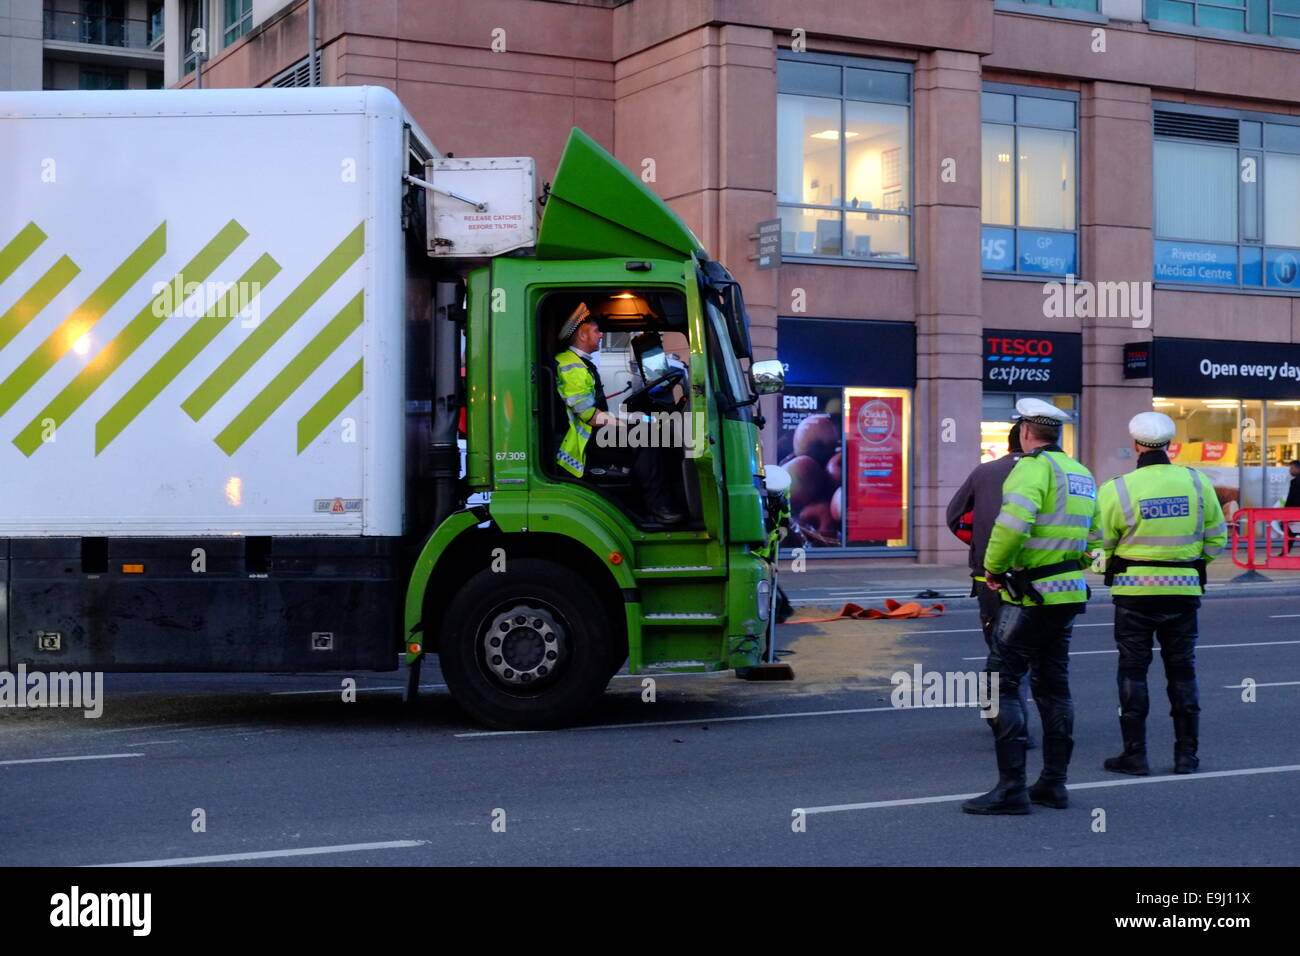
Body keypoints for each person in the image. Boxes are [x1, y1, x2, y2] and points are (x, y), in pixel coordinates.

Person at [962, 398, 1097, 815]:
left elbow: (1013, 523)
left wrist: (993, 568)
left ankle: (1011, 790)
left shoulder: (1031, 469)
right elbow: (1094, 540)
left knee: (1000, 684)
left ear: (1024, 432)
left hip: (1030, 595)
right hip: (1068, 593)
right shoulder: (1081, 473)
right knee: (1054, 686)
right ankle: (1053, 785)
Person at [1093, 412, 1226, 776]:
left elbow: (1097, 547)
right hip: (1183, 593)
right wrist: (1189, 564)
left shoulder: (1116, 488)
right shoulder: (1197, 483)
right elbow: (1217, 538)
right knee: (1182, 672)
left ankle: (1134, 755)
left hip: (1133, 595)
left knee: (1133, 673)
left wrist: (1105, 567)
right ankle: (1187, 756)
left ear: (1136, 445)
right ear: (1169, 446)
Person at [554, 304, 683, 525]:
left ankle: (665, 502)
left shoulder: (580, 364)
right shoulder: (571, 366)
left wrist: (632, 421)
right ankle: (658, 510)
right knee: (646, 437)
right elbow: (591, 416)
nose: (601, 334)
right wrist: (628, 425)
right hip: (582, 442)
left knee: (647, 430)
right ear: (582, 334)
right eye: (596, 331)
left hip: (589, 435)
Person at [946, 423, 1034, 745]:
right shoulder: (1058, 473)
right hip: (1042, 580)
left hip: (991, 581)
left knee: (1000, 650)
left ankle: (1002, 718)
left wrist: (980, 544)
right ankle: (1022, 721)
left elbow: (955, 517)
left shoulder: (984, 473)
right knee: (1037, 655)